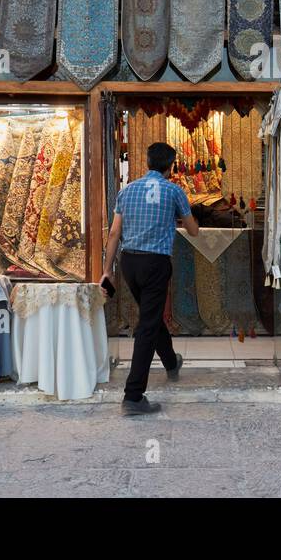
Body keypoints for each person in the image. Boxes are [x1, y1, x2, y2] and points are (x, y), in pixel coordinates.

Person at [102, 141, 199, 416]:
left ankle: (170, 362)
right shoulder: (174, 191)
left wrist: (107, 270)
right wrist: (185, 219)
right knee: (147, 326)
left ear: (147, 162)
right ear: (171, 165)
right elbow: (193, 231)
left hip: (129, 262)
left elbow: (113, 234)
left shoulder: (127, 190)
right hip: (156, 263)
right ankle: (133, 396)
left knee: (150, 316)